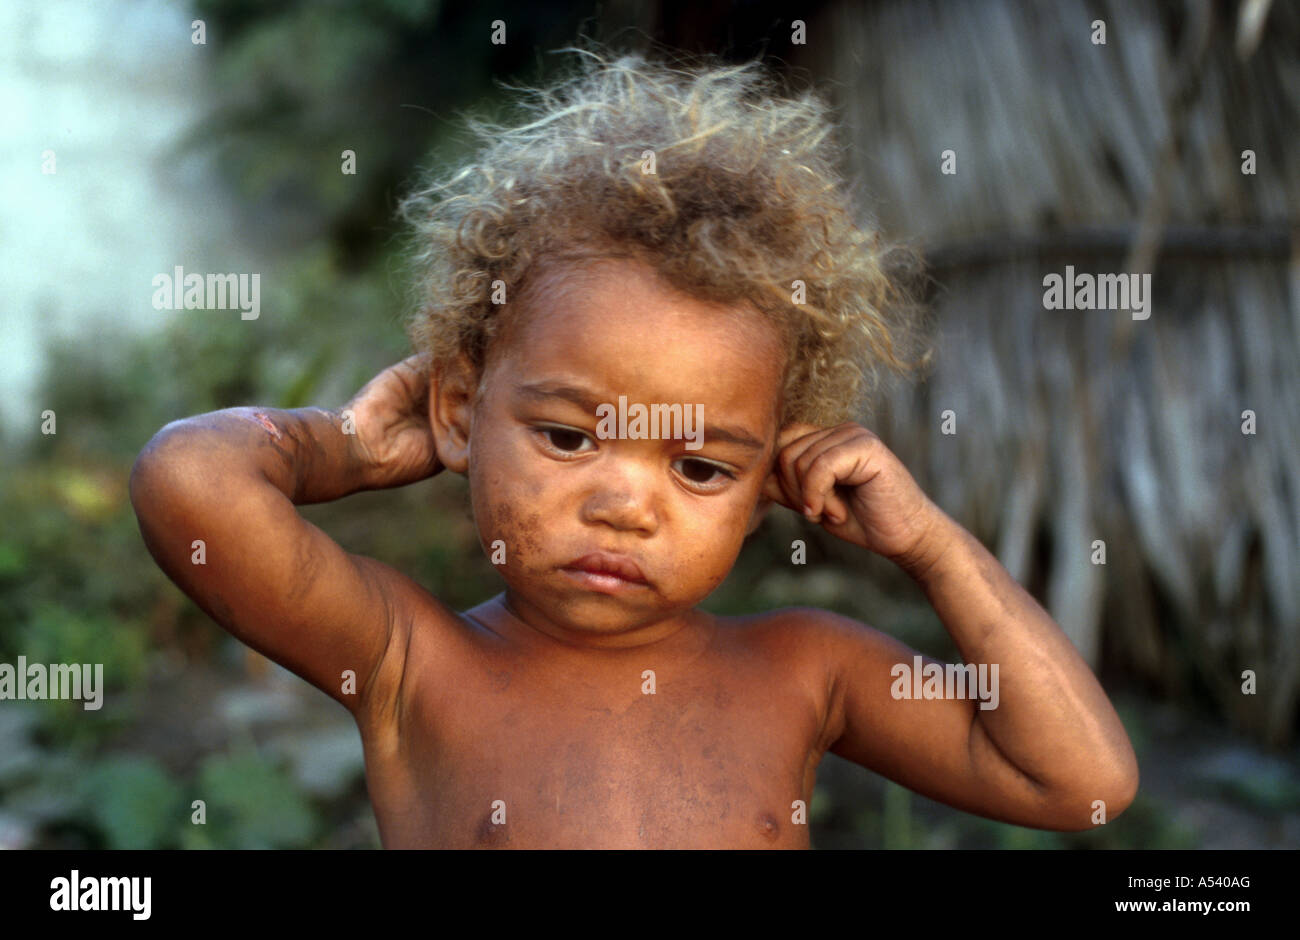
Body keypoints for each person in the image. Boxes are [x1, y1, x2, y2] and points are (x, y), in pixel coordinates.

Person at [129, 48, 1137, 848]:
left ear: (766, 485)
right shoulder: (407, 660)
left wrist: (931, 547)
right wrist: (339, 445)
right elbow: (189, 484)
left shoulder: (805, 668)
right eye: (568, 436)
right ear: (458, 411)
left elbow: (1079, 781)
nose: (624, 502)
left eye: (699, 466)